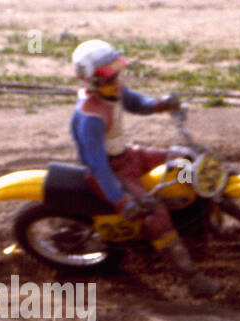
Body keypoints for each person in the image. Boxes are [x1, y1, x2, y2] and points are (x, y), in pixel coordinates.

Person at [69, 39, 220, 298]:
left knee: (185, 159)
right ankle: (191, 278)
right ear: (91, 80)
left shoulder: (113, 92)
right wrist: (121, 201)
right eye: (109, 76)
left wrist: (162, 103)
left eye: (116, 73)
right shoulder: (90, 117)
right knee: (156, 214)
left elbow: (137, 103)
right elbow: (97, 166)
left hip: (129, 156)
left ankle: (204, 211)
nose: (116, 79)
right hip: (111, 173)